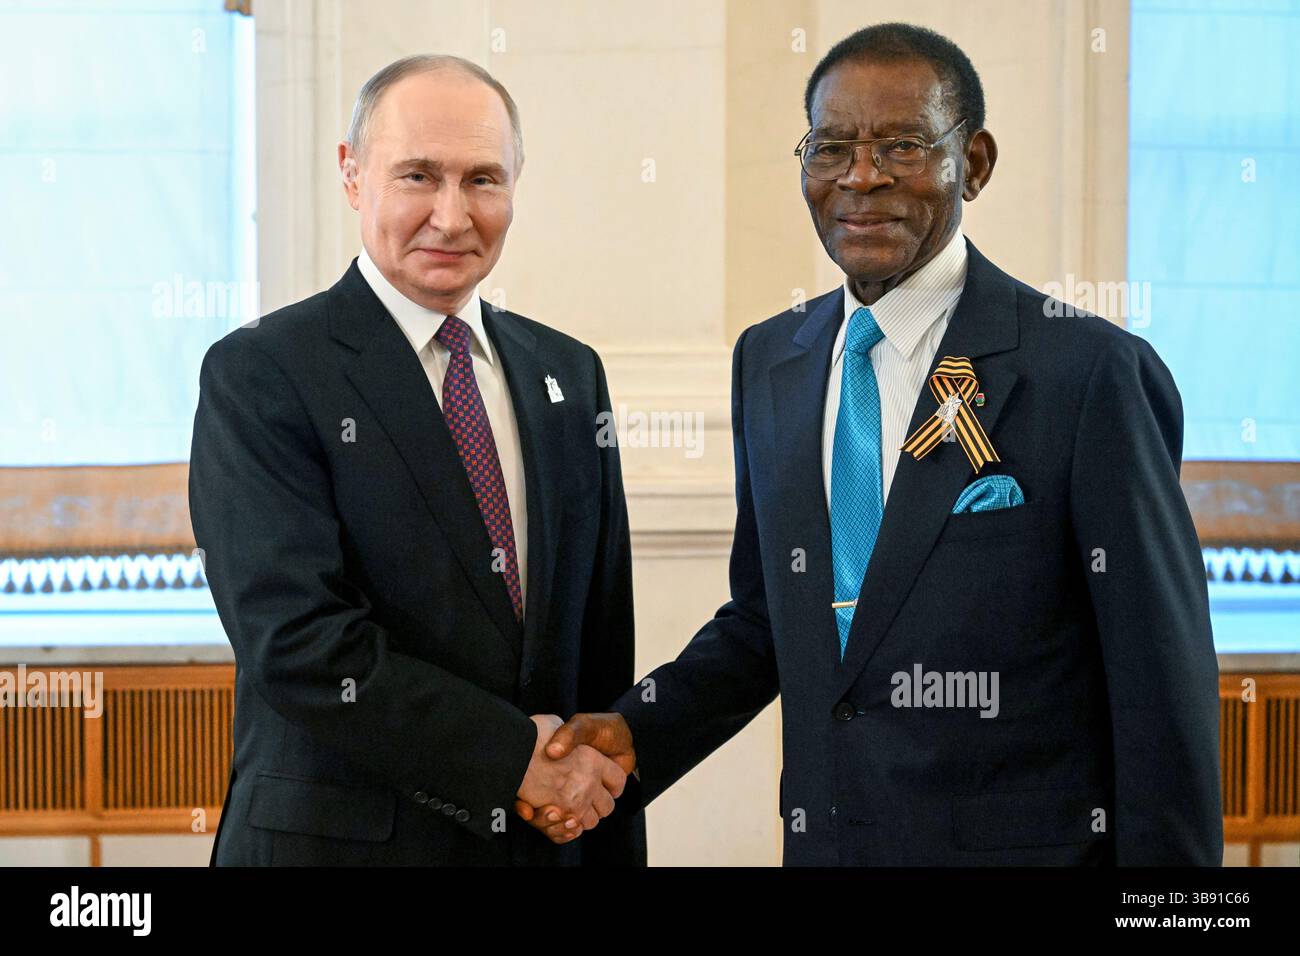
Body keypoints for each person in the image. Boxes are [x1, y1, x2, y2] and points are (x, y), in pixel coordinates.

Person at [523, 23, 1222, 866]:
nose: (862, 176)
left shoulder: (1088, 372)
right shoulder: (770, 362)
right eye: (831, 148)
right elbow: (769, 619)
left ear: (975, 163)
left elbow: (1160, 684)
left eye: (903, 146)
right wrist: (639, 730)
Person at [190, 54, 644, 865]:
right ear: (352, 175)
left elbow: (600, 653)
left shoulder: (570, 375)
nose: (452, 216)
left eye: (482, 179)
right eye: (418, 176)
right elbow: (298, 642)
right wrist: (513, 758)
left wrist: (598, 816)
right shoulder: (262, 372)